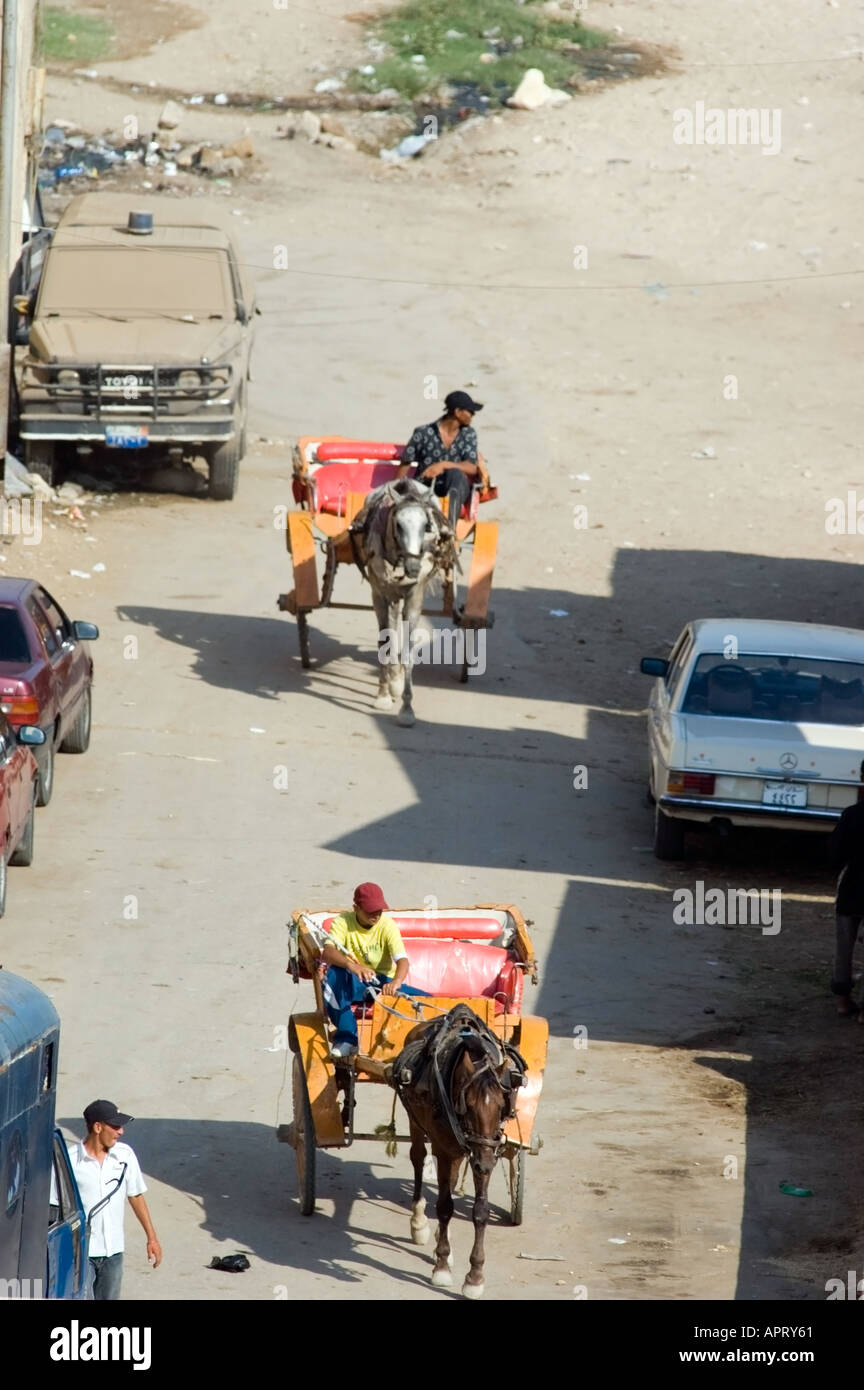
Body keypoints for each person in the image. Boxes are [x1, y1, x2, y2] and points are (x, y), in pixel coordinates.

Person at [67, 1099, 162, 1299]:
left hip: (114, 1253)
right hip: (82, 1254)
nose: (121, 1132)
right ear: (98, 1127)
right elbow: (55, 1207)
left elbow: (135, 1196)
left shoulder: (125, 1156)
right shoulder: (70, 1160)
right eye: (116, 1126)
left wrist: (151, 1238)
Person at [322, 882, 427, 1058]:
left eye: (379, 910)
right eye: (370, 911)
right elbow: (328, 952)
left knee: (431, 1001)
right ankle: (347, 1038)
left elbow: (402, 960)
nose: (376, 915)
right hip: (354, 979)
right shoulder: (342, 922)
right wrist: (352, 966)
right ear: (356, 908)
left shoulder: (387, 925)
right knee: (334, 976)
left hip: (382, 983)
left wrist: (396, 982)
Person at [399, 390, 486, 521]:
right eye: (470, 412)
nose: (473, 416)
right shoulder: (423, 433)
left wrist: (443, 465)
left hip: (455, 488)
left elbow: (472, 467)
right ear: (457, 412)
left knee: (454, 473)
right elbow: (405, 464)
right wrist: (395, 492)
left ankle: (450, 529)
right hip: (425, 487)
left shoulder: (469, 434)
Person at [830, 762, 864, 1019]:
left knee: (844, 948)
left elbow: (836, 854)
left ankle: (842, 1000)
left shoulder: (852, 815)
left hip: (852, 888)